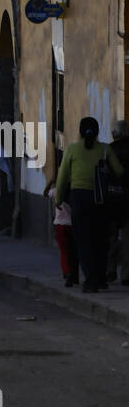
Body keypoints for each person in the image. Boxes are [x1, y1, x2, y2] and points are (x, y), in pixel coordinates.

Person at [54, 117, 124, 293]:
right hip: (101, 200)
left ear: (79, 131)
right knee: (101, 240)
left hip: (79, 199)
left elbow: (62, 177)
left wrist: (58, 199)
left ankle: (91, 279)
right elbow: (120, 172)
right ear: (98, 131)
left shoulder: (71, 149)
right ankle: (101, 278)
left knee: (83, 241)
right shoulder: (105, 149)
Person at [106, 120, 129, 285]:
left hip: (112, 198)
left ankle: (110, 269)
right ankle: (126, 274)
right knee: (128, 239)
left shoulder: (108, 150)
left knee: (110, 237)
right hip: (128, 199)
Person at [45, 179, 77, 288]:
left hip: (60, 225)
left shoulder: (55, 191)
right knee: (73, 251)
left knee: (64, 251)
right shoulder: (73, 191)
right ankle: (74, 274)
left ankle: (67, 273)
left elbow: (45, 193)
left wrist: (51, 181)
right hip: (72, 225)